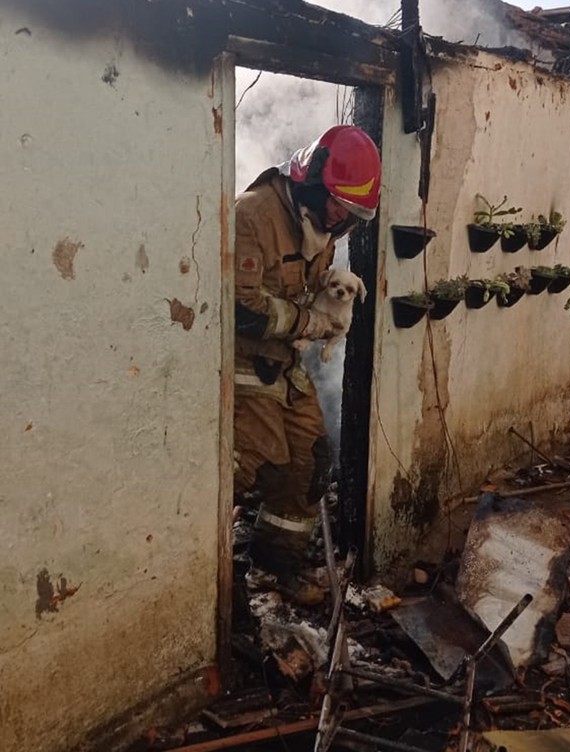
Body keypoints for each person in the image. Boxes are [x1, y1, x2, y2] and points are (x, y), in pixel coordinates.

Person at [233, 124, 381, 606]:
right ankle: (193, 582)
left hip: (285, 360)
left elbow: (314, 298)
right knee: (255, 463)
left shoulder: (326, 232)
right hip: (241, 357)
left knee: (311, 459)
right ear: (313, 181)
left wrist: (330, 322)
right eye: (340, 205)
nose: (343, 220)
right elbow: (241, 309)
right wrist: (309, 323)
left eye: (353, 214)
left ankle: (272, 571)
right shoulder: (254, 214)